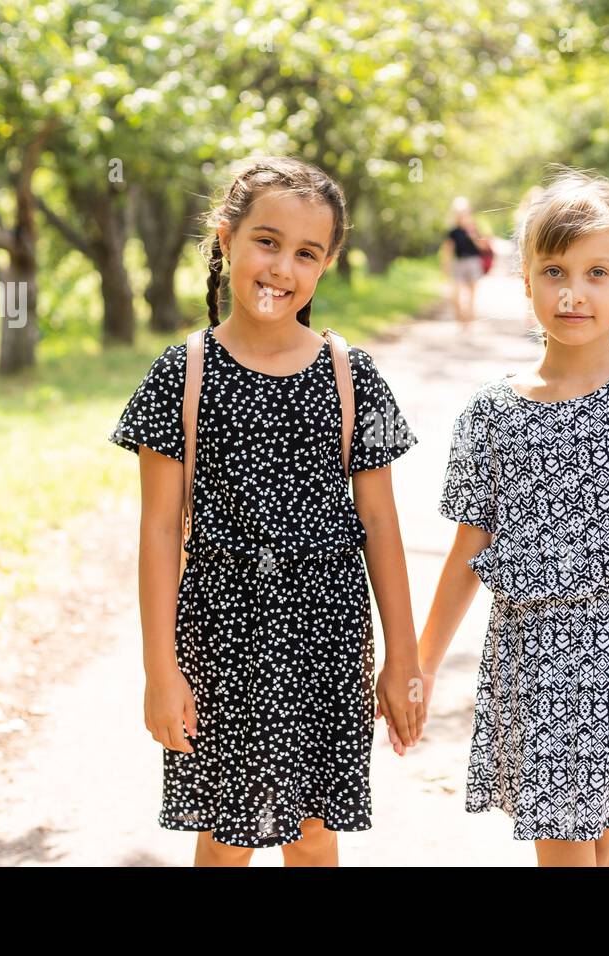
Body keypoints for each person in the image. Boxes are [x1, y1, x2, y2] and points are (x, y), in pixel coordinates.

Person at [108, 156, 426, 867]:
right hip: (225, 635)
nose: (282, 267)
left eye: (306, 253)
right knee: (227, 838)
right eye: (266, 241)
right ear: (225, 239)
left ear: (326, 265)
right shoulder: (181, 375)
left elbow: (380, 525)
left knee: (315, 835)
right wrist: (161, 670)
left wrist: (402, 656)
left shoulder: (353, 375)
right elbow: (160, 532)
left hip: (330, 635)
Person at [415, 165, 609, 867]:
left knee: (598, 836)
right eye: (554, 270)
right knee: (568, 839)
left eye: (597, 272)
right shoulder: (493, 413)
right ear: (524, 280)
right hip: (532, 650)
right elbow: (470, 547)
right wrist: (422, 664)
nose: (573, 292)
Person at [440, 196, 490, 330]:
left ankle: (470, 324)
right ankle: (461, 321)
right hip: (458, 263)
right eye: (460, 213)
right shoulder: (453, 231)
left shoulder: (474, 227)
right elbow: (447, 249)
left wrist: (473, 235)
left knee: (472, 296)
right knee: (456, 296)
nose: (463, 215)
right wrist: (445, 266)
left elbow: (484, 247)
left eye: (465, 212)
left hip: (473, 262)